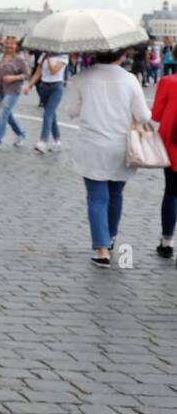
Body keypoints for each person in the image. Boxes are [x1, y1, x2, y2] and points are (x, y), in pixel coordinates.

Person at [62, 49, 153, 266]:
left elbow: (72, 112)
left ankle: (101, 249)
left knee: (96, 197)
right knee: (116, 194)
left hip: (92, 145)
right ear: (121, 55)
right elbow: (143, 116)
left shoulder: (80, 78)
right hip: (121, 145)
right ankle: (111, 237)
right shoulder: (129, 79)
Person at [151, 70, 177, 260]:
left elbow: (157, 115)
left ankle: (167, 241)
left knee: (171, 192)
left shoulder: (168, 81)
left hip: (173, 145)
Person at [0, 37, 31, 150]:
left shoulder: (20, 59)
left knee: (3, 113)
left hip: (13, 91)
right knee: (7, 115)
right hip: (0, 90)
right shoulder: (1, 57)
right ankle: (21, 133)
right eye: (7, 43)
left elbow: (27, 75)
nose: (9, 45)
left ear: (16, 46)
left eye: (12, 44)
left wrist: (13, 77)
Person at [26, 51, 68, 154]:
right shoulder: (43, 55)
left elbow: (54, 71)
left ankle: (43, 141)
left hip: (56, 87)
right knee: (51, 114)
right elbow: (38, 73)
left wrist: (48, 59)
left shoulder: (63, 56)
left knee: (47, 114)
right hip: (44, 87)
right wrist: (29, 85)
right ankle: (57, 140)